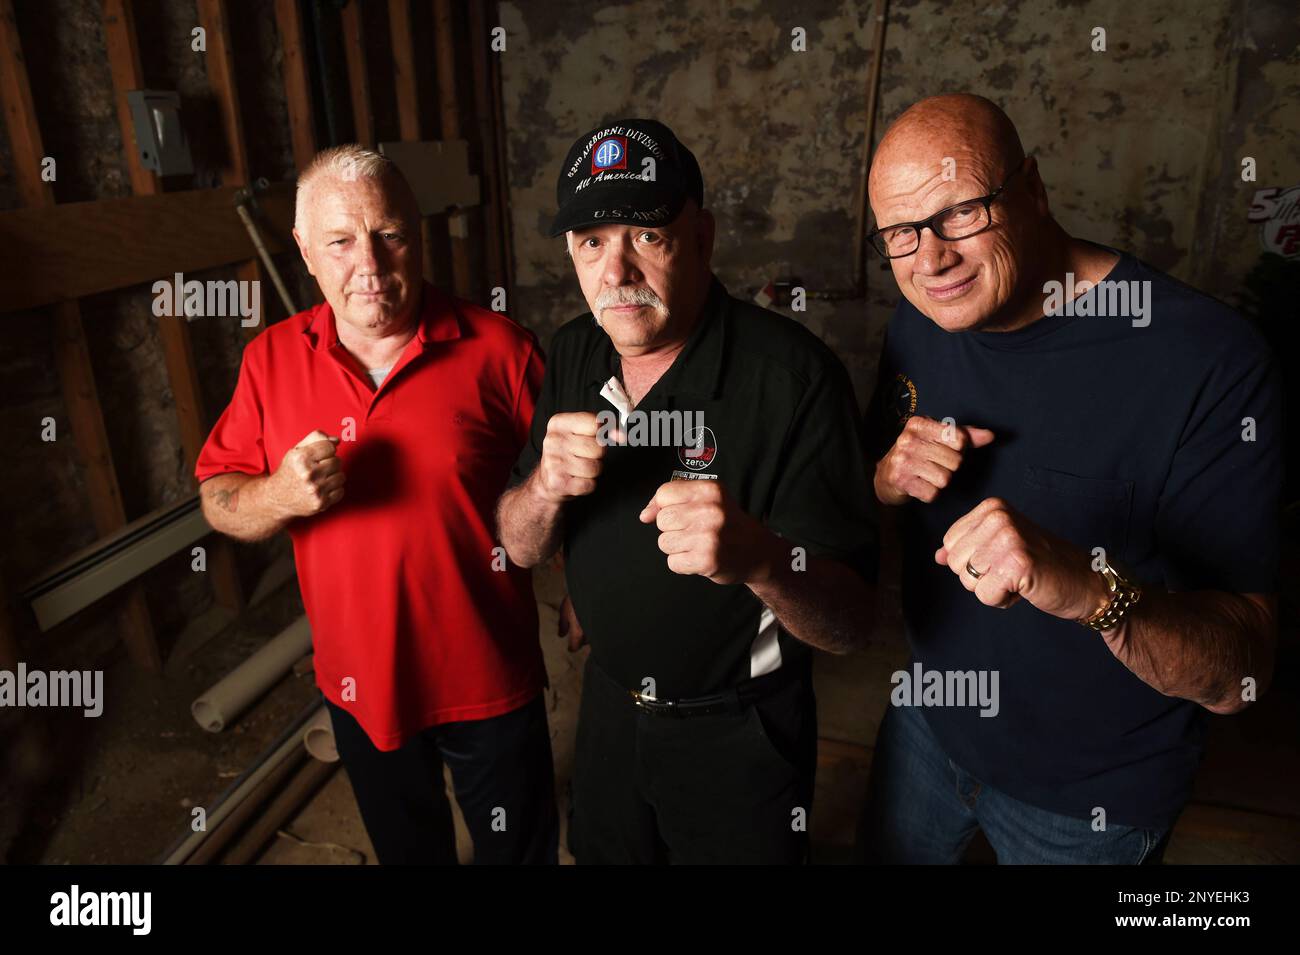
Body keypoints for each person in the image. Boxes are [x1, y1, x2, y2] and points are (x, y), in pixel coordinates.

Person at [858, 94, 1282, 864]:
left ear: (1033, 190)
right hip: (929, 720)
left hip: (1091, 793)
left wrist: (1086, 587)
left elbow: (1241, 673)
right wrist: (885, 477)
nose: (930, 258)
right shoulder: (920, 316)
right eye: (901, 233)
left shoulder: (1209, 362)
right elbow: (870, 481)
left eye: (961, 213)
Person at [496, 119, 878, 864]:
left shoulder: (794, 380)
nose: (617, 272)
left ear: (701, 237)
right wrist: (543, 486)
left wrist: (762, 559)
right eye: (592, 243)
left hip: (737, 730)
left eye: (646, 235)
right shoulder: (574, 348)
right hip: (607, 707)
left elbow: (853, 623)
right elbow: (516, 541)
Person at [196, 145, 558, 864]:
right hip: (363, 688)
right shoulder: (269, 362)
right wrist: (276, 495)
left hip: (491, 677)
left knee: (520, 854)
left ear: (416, 233)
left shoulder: (502, 349)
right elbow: (218, 496)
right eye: (339, 241)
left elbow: (563, 482)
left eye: (389, 234)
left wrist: (589, 596)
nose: (370, 263)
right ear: (304, 251)